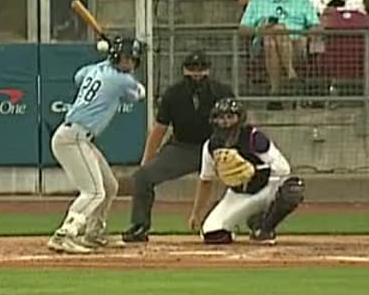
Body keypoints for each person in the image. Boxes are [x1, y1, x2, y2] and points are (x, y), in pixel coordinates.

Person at [122, 51, 235, 244]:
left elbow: (236, 124)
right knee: (142, 176)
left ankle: (253, 225)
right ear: (184, 70)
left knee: (246, 174)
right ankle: (139, 225)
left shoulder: (222, 92)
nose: (197, 74)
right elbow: (159, 129)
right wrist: (146, 161)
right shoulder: (173, 94)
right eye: (192, 69)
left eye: (201, 69)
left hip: (215, 147)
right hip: (182, 148)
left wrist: (232, 151)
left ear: (209, 70)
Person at [47, 35, 146, 255]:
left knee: (110, 186)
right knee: (93, 192)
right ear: (116, 57)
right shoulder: (121, 80)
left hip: (79, 137)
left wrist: (105, 67)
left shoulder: (96, 69)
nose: (130, 63)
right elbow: (138, 94)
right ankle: (64, 235)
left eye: (132, 59)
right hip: (73, 138)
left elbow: (79, 77)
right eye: (126, 58)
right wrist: (129, 83)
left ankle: (93, 233)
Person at [187, 97, 305, 245]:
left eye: (230, 117)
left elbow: (283, 168)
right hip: (239, 193)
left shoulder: (253, 138)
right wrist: (196, 213)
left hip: (266, 188)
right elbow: (206, 180)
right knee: (212, 234)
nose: (225, 122)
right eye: (221, 118)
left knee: (293, 188)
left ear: (239, 119)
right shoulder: (211, 146)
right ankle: (255, 219)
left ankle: (264, 228)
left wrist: (254, 171)